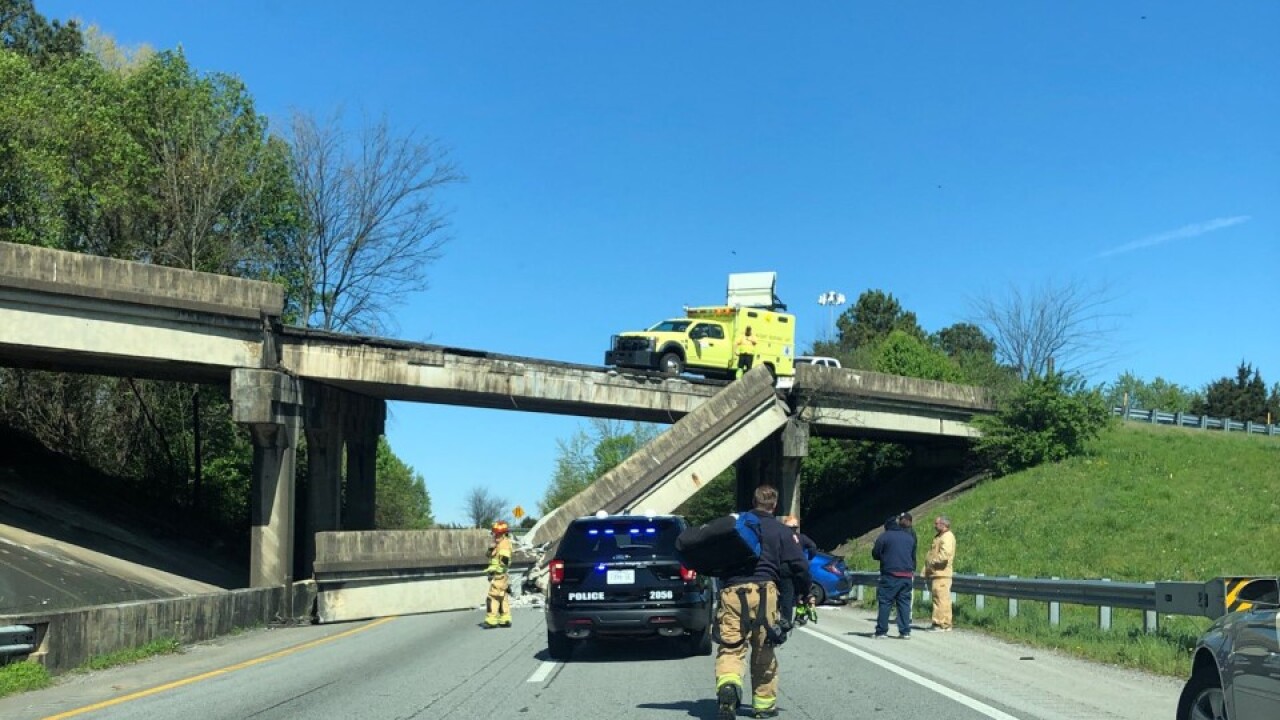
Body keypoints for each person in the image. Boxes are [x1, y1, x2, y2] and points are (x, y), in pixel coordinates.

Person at [714, 485, 810, 720]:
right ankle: (763, 706)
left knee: (731, 645)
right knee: (764, 646)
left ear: (753, 501)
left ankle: (729, 686)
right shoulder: (781, 531)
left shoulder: (735, 528)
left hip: (732, 591)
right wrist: (805, 593)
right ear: (774, 505)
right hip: (765, 592)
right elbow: (800, 566)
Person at [871, 511, 917, 639]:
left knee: (885, 602)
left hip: (890, 574)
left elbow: (875, 554)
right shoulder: (909, 537)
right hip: (907, 575)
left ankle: (882, 631)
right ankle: (905, 631)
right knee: (904, 603)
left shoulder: (884, 536)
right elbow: (913, 556)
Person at [924, 515, 956, 631]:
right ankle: (944, 622)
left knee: (940, 599)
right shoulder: (940, 537)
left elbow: (945, 555)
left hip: (942, 572)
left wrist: (933, 562)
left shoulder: (947, 537)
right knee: (941, 598)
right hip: (937, 573)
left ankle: (941, 623)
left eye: (936, 524)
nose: (934, 526)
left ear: (943, 525)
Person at [484, 520, 513, 628]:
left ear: (503, 534)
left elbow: (504, 561)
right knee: (502, 596)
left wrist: (493, 573)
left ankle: (491, 619)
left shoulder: (504, 545)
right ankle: (505, 619)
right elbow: (488, 555)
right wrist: (490, 548)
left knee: (492, 597)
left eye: (497, 534)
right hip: (501, 576)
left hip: (498, 576)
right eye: (494, 533)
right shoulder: (498, 544)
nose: (495, 536)